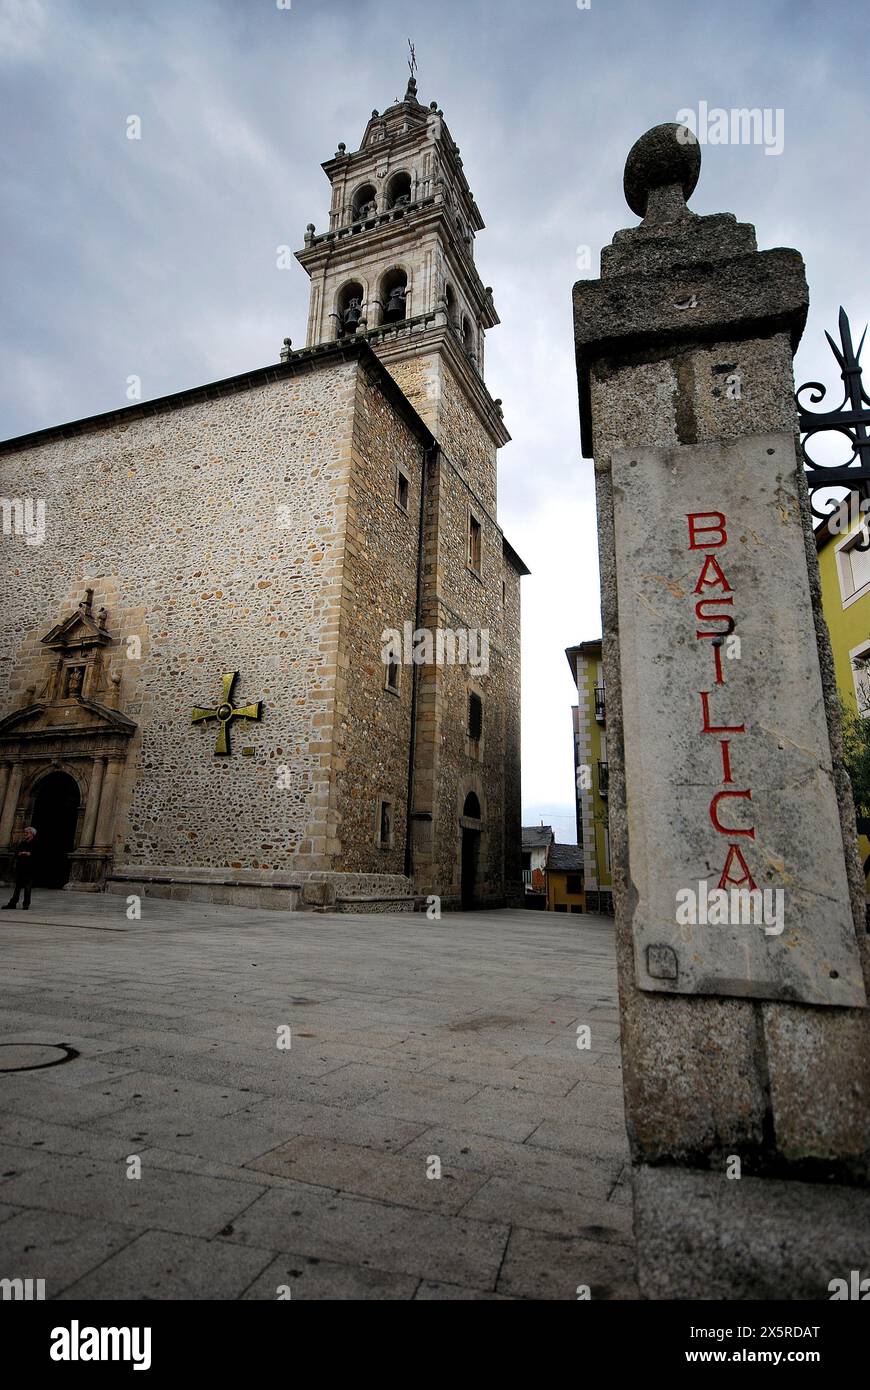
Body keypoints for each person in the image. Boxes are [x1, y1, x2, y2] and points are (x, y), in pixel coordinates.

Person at [3, 827, 37, 910]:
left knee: (27, 887)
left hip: (29, 869)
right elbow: (16, 853)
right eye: (24, 832)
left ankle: (26, 904)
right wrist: (21, 853)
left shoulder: (35, 844)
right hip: (21, 868)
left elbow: (36, 855)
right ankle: (12, 903)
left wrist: (28, 854)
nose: (25, 834)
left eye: (27, 833)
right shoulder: (22, 843)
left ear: (32, 834)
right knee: (17, 887)